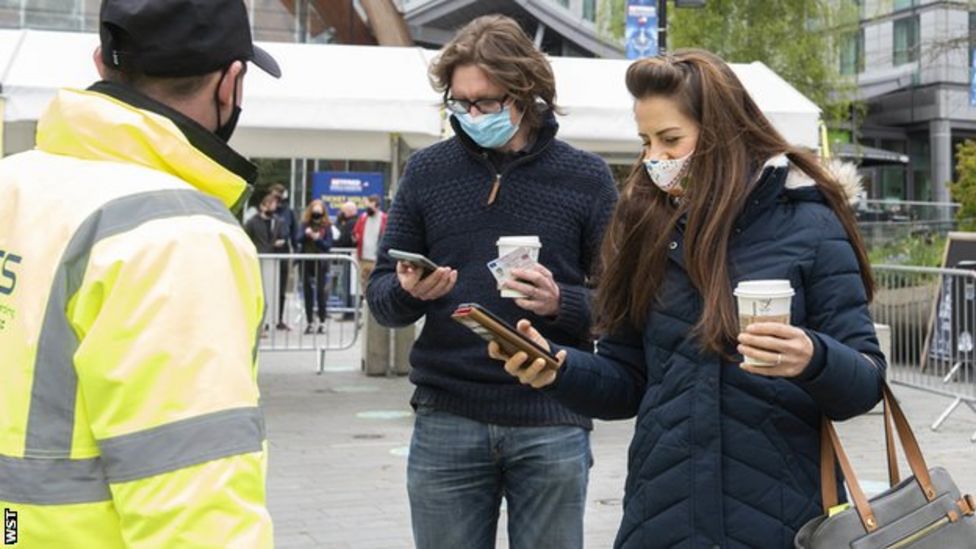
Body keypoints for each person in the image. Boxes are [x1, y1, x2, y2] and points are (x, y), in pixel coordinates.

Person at [491, 49, 885, 549]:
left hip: (782, 518)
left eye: (671, 139)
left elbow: (865, 384)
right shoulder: (643, 226)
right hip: (662, 516)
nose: (655, 157)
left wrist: (813, 357)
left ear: (724, 133)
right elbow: (627, 379)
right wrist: (560, 370)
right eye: (646, 142)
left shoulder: (810, 224)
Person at [0, 0, 280, 546]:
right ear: (232, 84)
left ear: (103, 62)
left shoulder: (13, 180)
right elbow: (194, 504)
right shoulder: (178, 233)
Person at [366, 15, 618, 549]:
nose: (471, 115)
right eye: (459, 103)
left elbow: (619, 307)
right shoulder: (427, 171)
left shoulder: (588, 178)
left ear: (527, 94)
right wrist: (410, 291)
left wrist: (561, 302)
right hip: (447, 412)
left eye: (486, 102)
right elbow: (382, 297)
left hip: (552, 412)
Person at [245, 192, 289, 335]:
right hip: (258, 260)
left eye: (275, 206)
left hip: (272, 261)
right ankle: (259, 324)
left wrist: (281, 241)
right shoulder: (252, 222)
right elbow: (246, 238)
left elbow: (283, 235)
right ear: (263, 206)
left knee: (271, 292)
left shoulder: (277, 221)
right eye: (271, 205)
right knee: (258, 293)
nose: (273, 208)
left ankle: (269, 322)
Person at [299, 200, 334, 334]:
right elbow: (297, 239)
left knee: (321, 293)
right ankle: (309, 322)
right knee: (307, 293)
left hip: (321, 262)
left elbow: (328, 245)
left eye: (319, 210)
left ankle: (322, 321)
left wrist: (317, 238)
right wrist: (306, 234)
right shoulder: (305, 224)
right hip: (306, 260)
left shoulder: (327, 226)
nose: (316, 212)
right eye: (314, 209)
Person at [270, 183, 300, 331]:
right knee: (267, 288)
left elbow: (294, 234)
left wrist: (296, 255)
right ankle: (267, 320)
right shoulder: (266, 210)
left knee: (281, 288)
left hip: (283, 252)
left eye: (279, 194)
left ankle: (279, 319)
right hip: (268, 253)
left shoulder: (288, 212)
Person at [353, 194, 387, 289]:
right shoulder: (363, 217)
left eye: (370, 207)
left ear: (377, 207)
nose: (368, 209)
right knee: (363, 282)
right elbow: (355, 232)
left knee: (376, 282)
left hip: (377, 258)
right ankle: (365, 300)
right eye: (367, 206)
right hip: (363, 257)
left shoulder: (384, 219)